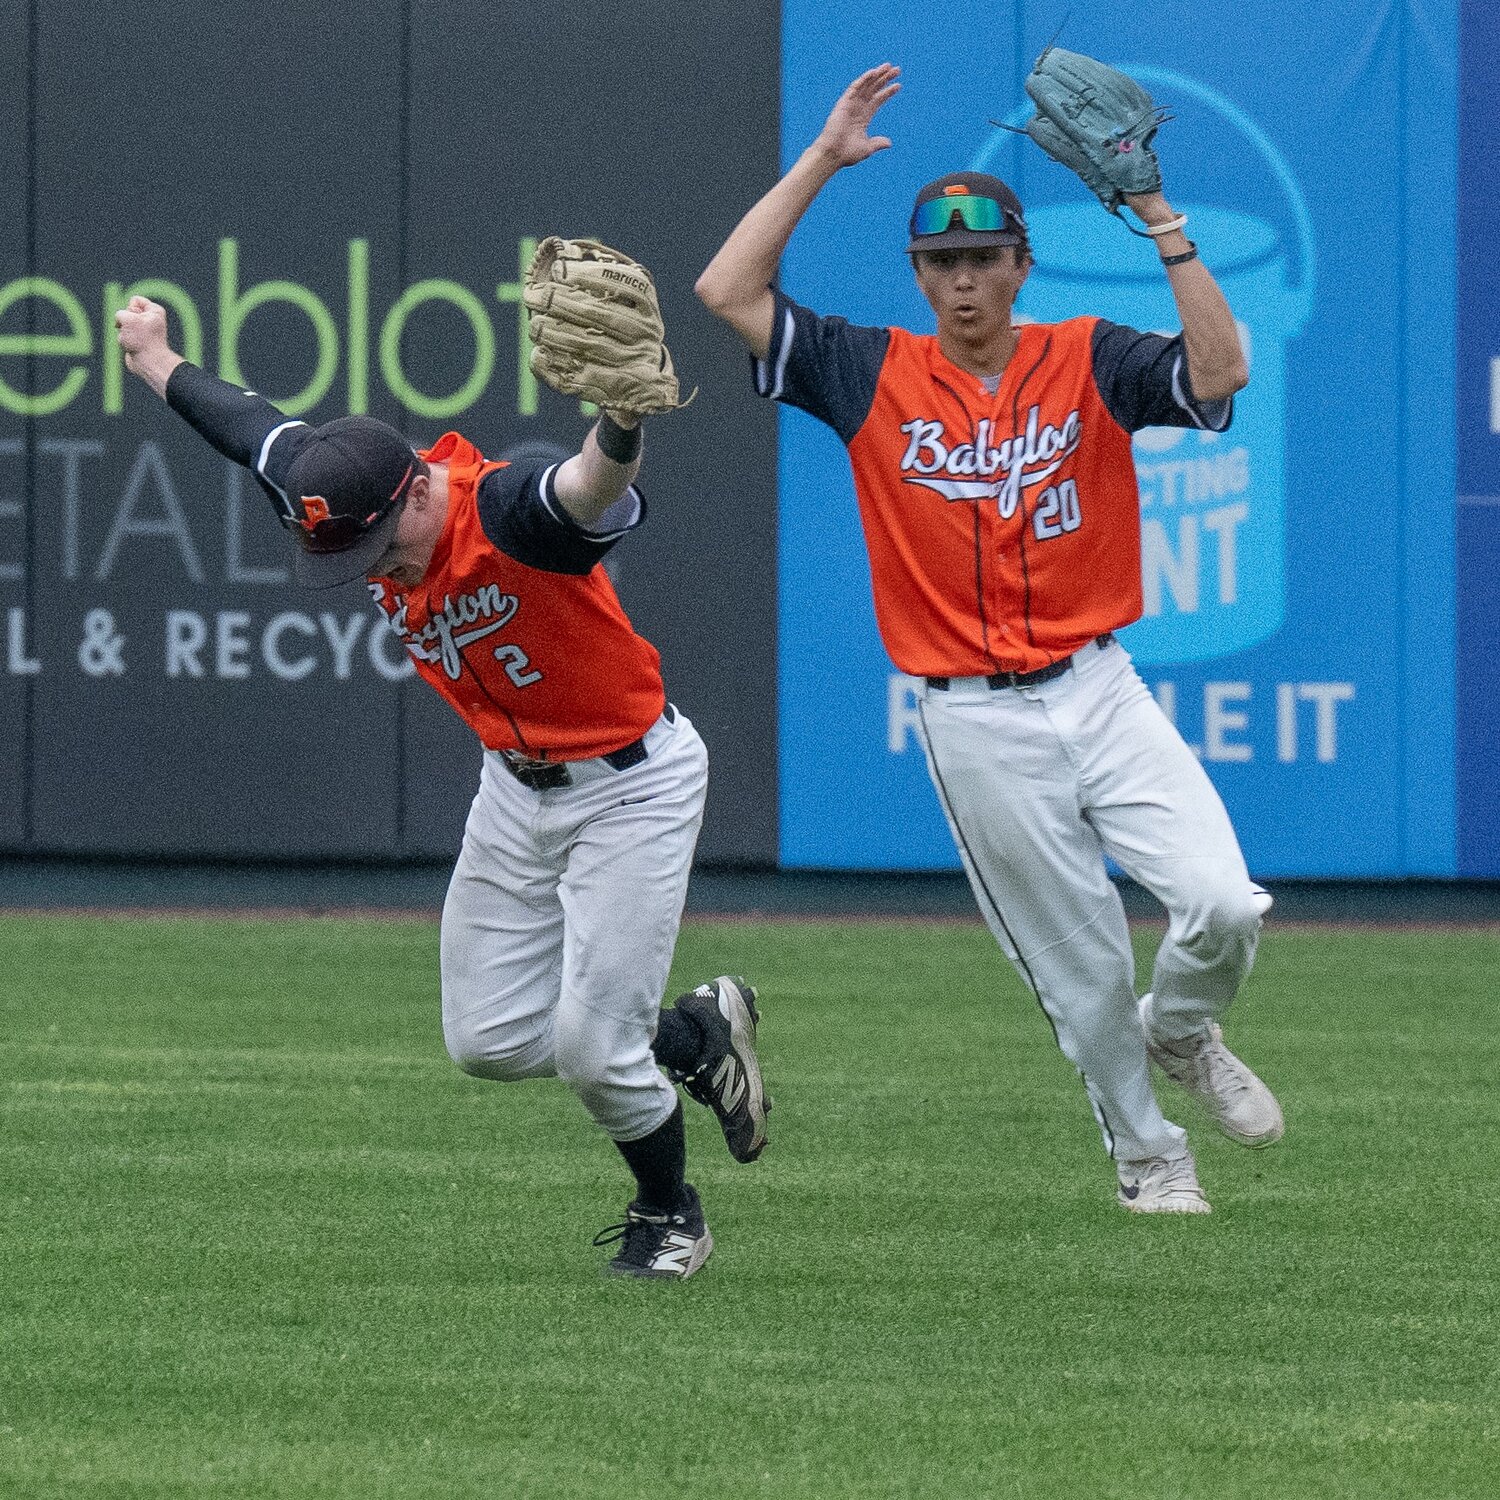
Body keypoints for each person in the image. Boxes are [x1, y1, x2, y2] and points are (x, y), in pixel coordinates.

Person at [696, 63, 1280, 1213]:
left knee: (1220, 903)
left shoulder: (1091, 356)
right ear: (920, 275)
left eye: (982, 258)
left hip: (1099, 687)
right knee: (1085, 977)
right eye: (942, 262)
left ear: (1021, 265)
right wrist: (823, 157)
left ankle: (1187, 1030)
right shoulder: (869, 372)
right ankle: (1150, 1157)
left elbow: (1221, 373)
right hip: (972, 718)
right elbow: (726, 287)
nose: (964, 280)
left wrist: (1162, 220)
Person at [114, 291, 768, 1276]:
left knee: (593, 1050)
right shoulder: (342, 485)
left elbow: (587, 488)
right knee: (489, 1039)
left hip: (630, 783)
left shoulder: (505, 512)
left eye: (377, 544)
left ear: (419, 491)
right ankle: (694, 1034)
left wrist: (622, 417)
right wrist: (157, 360)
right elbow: (248, 428)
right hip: (514, 787)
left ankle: (669, 1211)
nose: (370, 566)